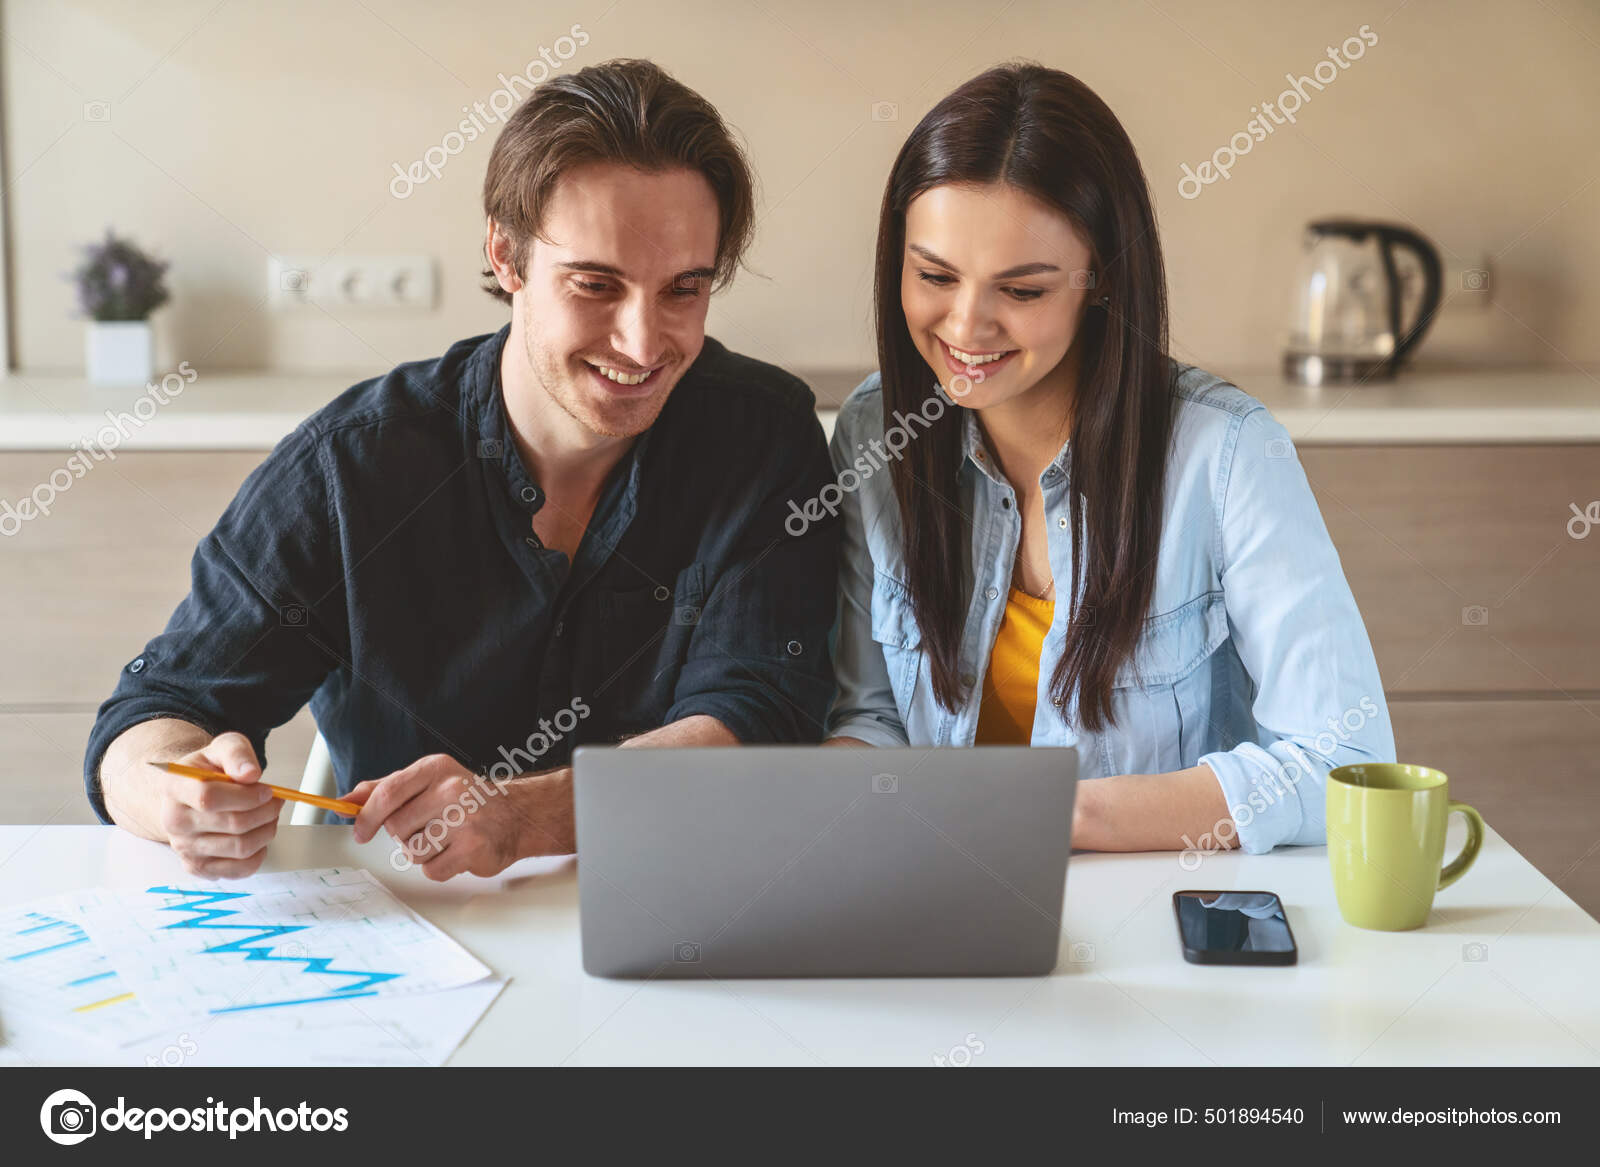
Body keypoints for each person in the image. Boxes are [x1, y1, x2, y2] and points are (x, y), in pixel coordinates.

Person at [86, 58, 839, 881]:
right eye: (596, 284)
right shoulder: (354, 465)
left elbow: (760, 717)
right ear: (506, 255)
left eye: (684, 290)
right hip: (410, 948)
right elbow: (151, 717)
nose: (643, 341)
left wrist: (523, 816)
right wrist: (178, 797)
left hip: (684, 910)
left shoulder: (761, 436)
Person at [824, 62, 1394, 856]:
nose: (966, 325)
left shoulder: (1226, 454)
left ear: (1100, 280)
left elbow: (1345, 759)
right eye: (934, 276)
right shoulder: (871, 435)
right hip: (932, 890)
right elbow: (871, 717)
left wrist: (1066, 816)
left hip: (1153, 911)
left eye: (1022, 291)